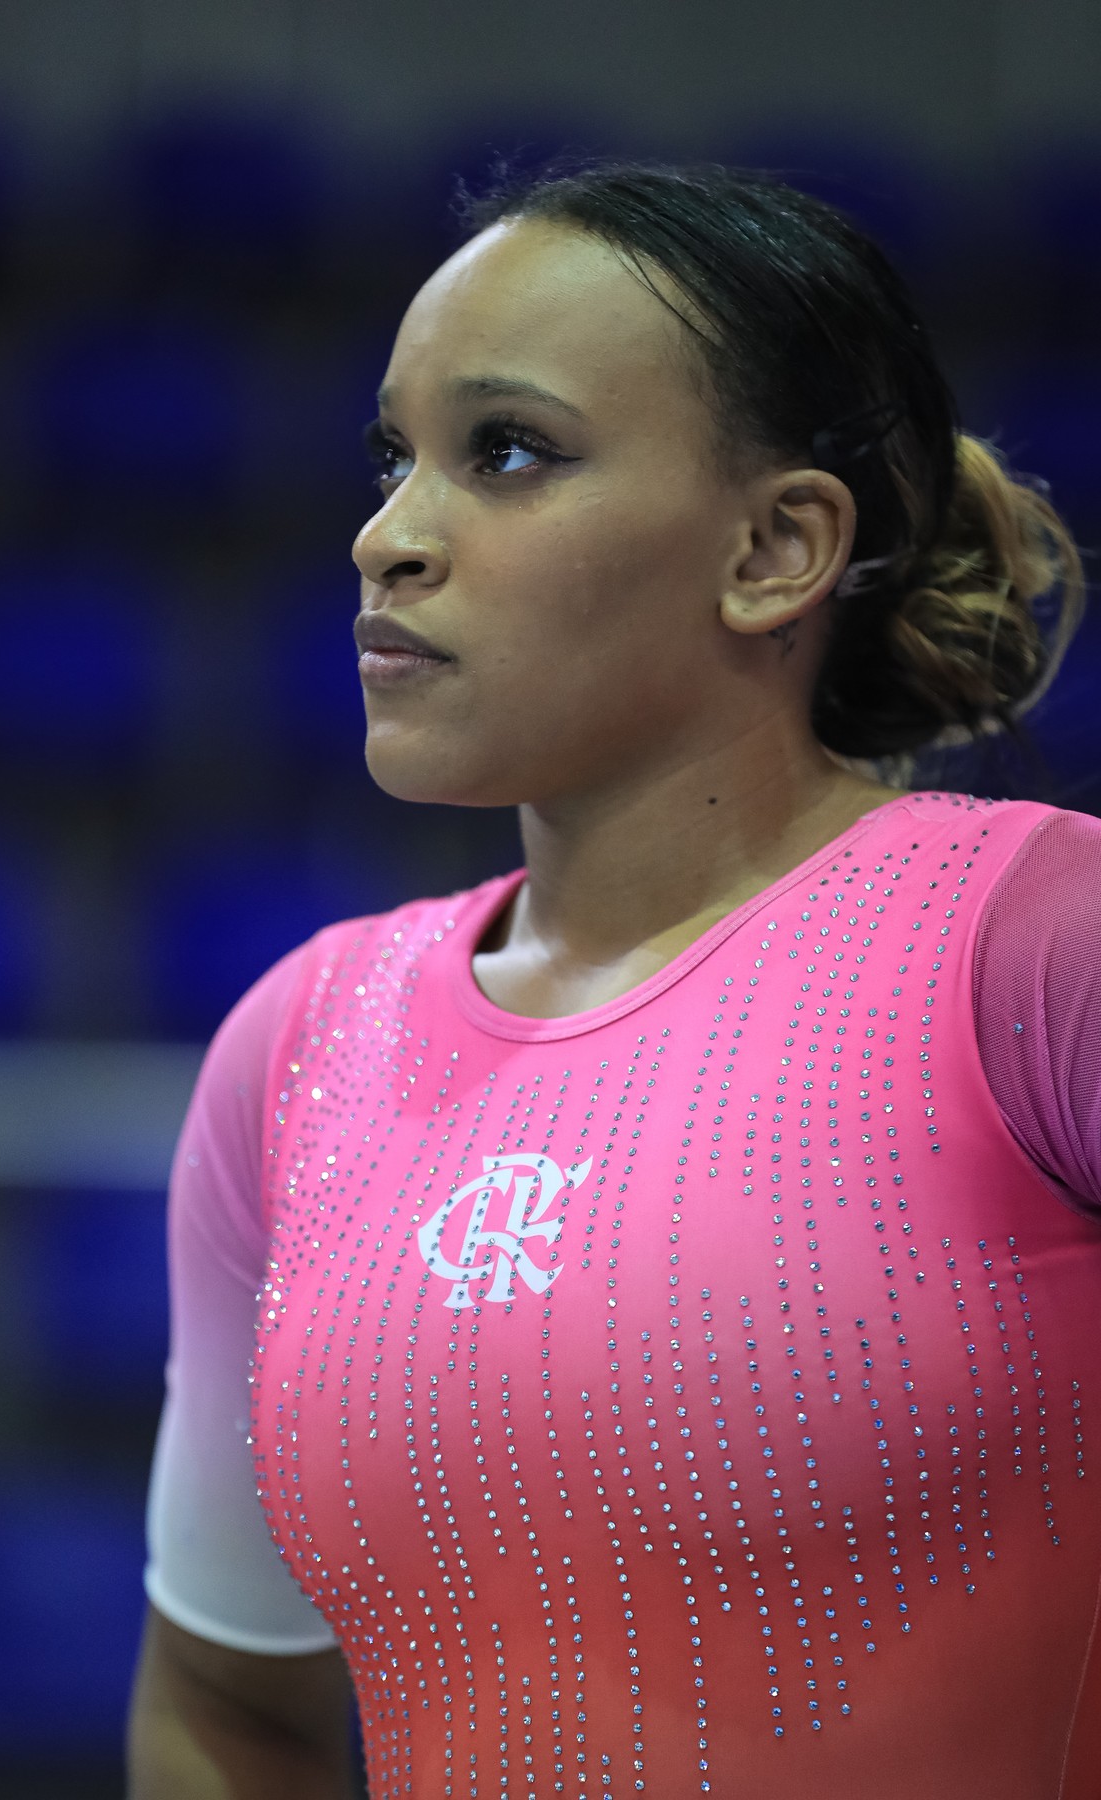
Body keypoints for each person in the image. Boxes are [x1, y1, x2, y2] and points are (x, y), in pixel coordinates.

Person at [127, 162, 1101, 1799]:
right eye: (392, 458)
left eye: (507, 452)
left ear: (776, 548)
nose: (387, 537)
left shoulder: (1040, 944)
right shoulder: (299, 1046)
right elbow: (228, 1705)